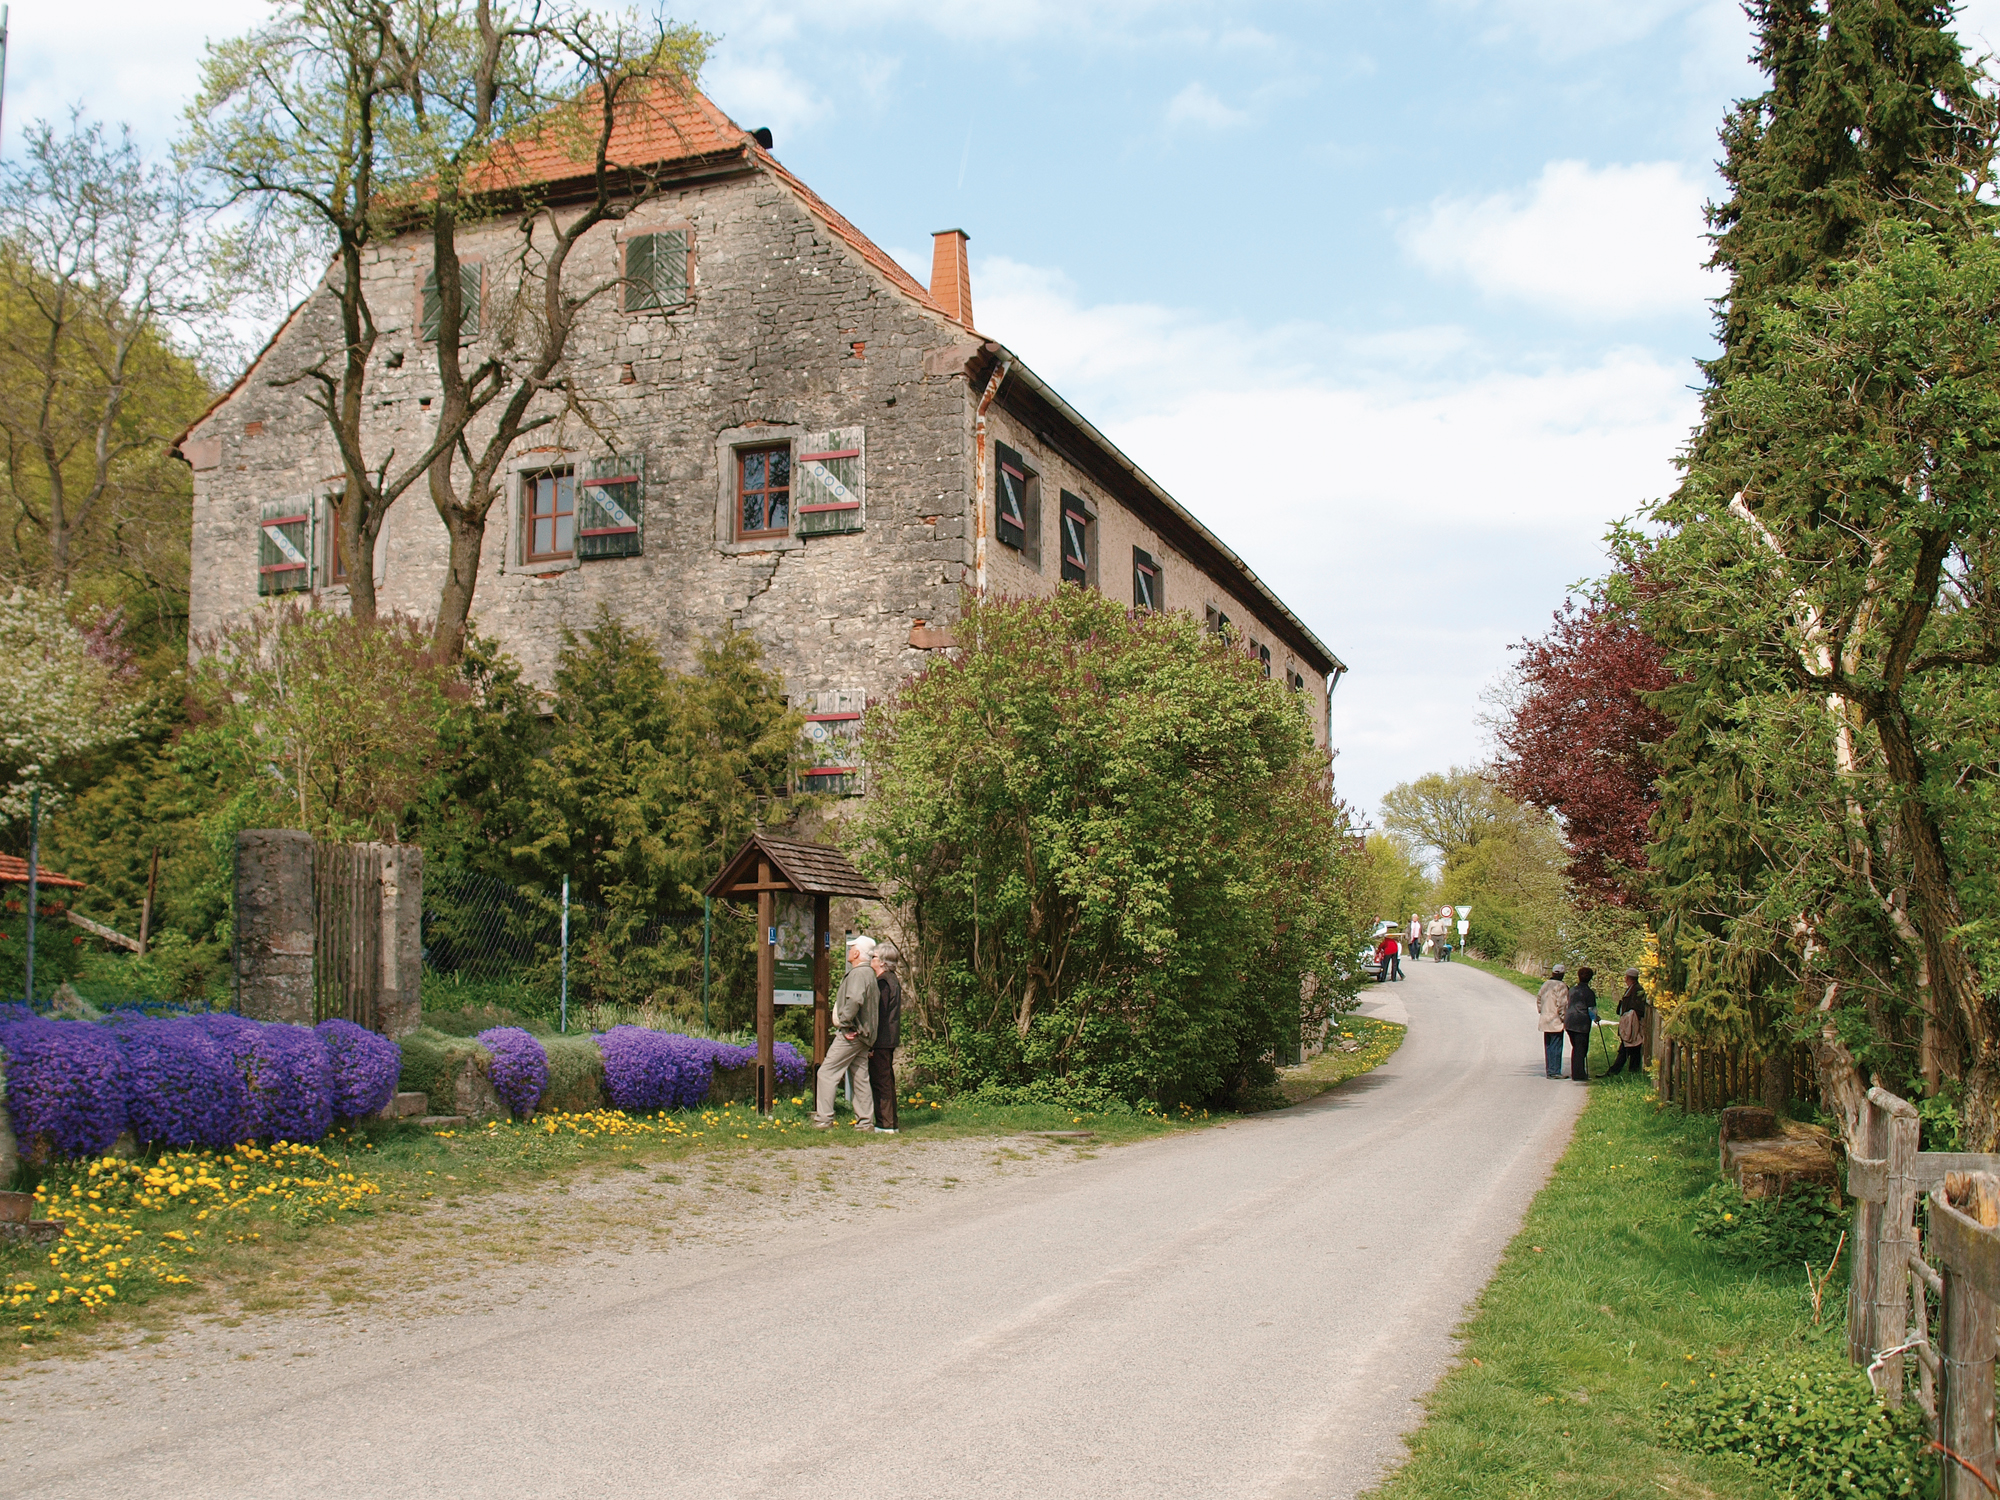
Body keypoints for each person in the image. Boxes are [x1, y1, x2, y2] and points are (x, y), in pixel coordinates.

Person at [813, 936, 878, 1130]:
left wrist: (846, 1024)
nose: (849, 951)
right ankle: (866, 1122)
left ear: (857, 953)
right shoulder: (870, 974)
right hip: (865, 1035)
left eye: (851, 949)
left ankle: (824, 1119)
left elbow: (854, 1000)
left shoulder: (859, 974)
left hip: (853, 1034)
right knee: (860, 1077)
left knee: (827, 1073)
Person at [869, 941, 903, 1132]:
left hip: (881, 1039)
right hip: (889, 1038)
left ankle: (885, 1123)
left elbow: (879, 1013)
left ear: (882, 962)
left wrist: (871, 1042)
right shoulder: (893, 980)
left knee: (881, 1080)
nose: (871, 959)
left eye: (874, 957)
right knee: (887, 1079)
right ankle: (891, 1122)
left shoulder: (883, 982)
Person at [1608, 967, 1646, 1075]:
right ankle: (1624, 1070)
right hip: (1629, 1022)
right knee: (1629, 1047)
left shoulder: (1637, 989)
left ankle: (1617, 1070)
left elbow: (1637, 1008)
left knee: (1630, 1047)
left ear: (1628, 978)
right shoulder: (1633, 988)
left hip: (1633, 1023)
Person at [1565, 965, 1599, 1083]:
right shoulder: (1589, 992)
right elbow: (1591, 1009)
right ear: (1590, 978)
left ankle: (1577, 1071)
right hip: (1581, 1023)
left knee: (1576, 1047)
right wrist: (1596, 1018)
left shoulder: (1572, 990)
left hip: (1569, 1021)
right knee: (1581, 1049)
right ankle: (1579, 1074)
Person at [1537, 963, 1569, 1079]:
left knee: (1548, 1046)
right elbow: (1562, 1005)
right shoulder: (1561, 986)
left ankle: (1549, 1070)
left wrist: (1542, 1011)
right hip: (1556, 1020)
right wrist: (1564, 1018)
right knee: (1556, 1046)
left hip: (1546, 1019)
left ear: (1552, 973)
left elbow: (1539, 1000)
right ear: (1562, 974)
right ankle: (1555, 1071)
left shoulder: (1546, 984)